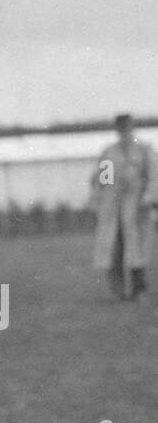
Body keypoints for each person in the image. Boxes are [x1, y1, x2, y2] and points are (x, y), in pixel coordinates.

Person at [90, 113, 155, 300]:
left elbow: (152, 176)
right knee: (113, 249)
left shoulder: (144, 150)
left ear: (132, 127)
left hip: (136, 206)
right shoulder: (110, 152)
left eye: (127, 127)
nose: (124, 132)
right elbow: (103, 181)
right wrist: (99, 201)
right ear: (116, 130)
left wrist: (148, 198)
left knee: (137, 249)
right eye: (121, 128)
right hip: (114, 207)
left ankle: (139, 289)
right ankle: (118, 292)